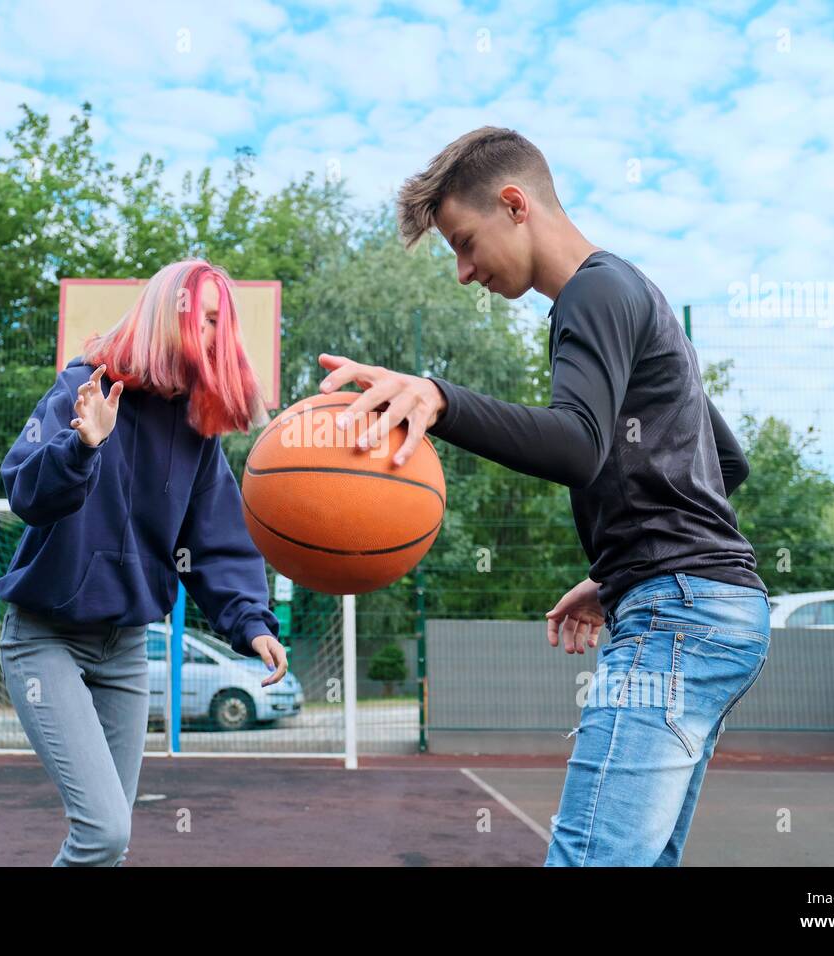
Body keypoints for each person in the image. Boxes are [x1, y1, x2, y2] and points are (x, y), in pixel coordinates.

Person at [317, 126, 770, 866]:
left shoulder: (591, 292)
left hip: (679, 618)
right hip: (716, 608)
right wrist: (614, 573)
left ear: (515, 203)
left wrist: (440, 398)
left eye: (464, 242)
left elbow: (575, 443)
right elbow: (726, 462)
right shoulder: (636, 295)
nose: (463, 271)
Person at [0, 259, 289, 866]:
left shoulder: (195, 430)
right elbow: (25, 492)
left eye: (222, 323)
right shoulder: (83, 387)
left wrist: (251, 622)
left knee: (108, 845)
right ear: (167, 314)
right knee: (104, 833)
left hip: (127, 648)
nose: (216, 334)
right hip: (45, 640)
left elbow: (214, 541)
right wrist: (82, 445)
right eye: (208, 318)